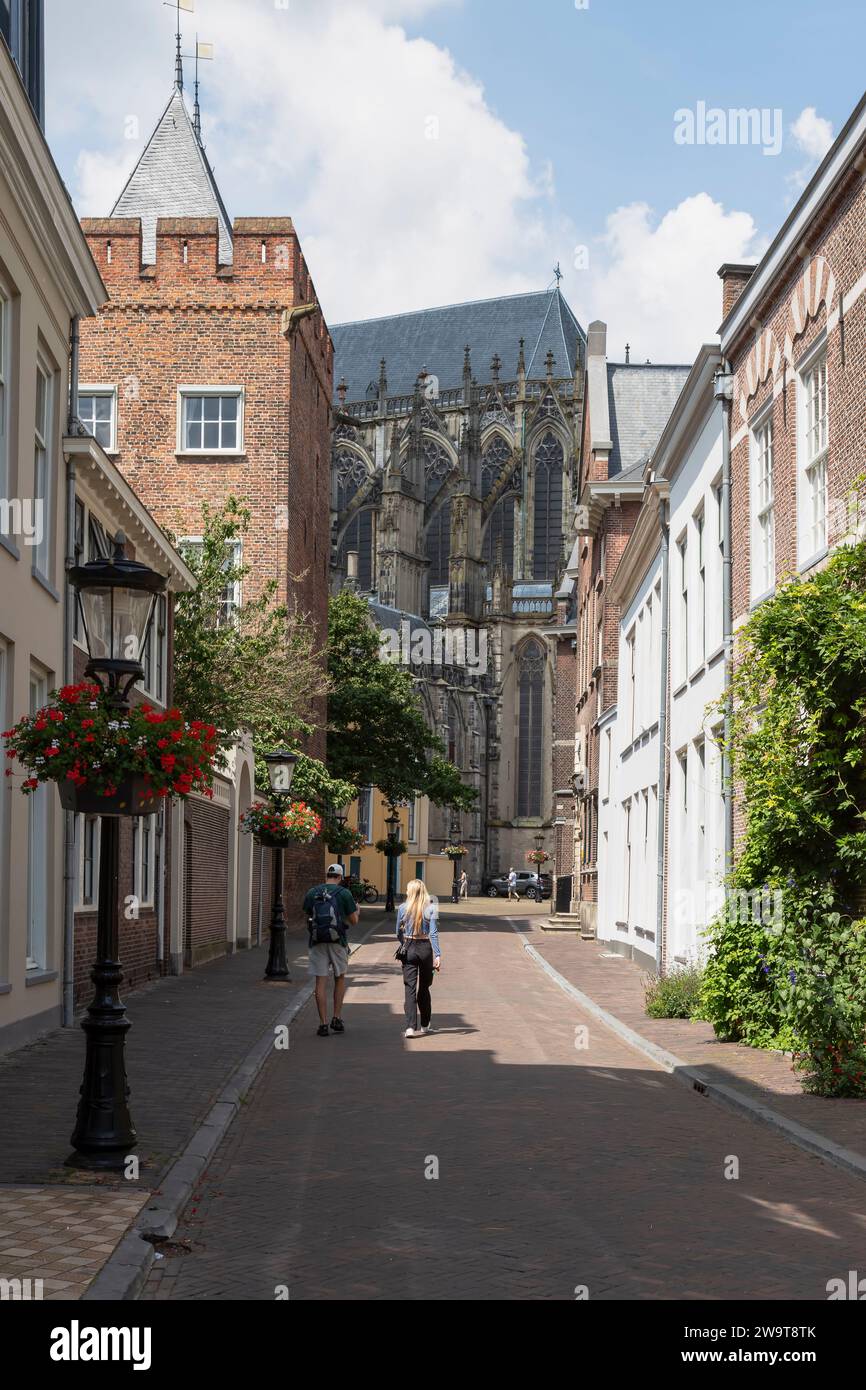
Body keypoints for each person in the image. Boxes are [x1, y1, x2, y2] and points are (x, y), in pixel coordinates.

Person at [303, 864, 359, 1036]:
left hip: (317, 941)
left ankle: (323, 1024)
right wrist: (357, 911)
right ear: (340, 877)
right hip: (338, 941)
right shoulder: (344, 893)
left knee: (320, 982)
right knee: (339, 978)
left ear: (326, 875)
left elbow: (307, 915)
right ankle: (336, 1018)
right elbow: (354, 921)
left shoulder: (312, 892)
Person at [396, 879, 441, 1039]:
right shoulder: (431, 908)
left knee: (410, 988)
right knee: (424, 987)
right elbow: (433, 933)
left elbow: (398, 932)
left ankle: (410, 1027)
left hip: (409, 946)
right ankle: (425, 1024)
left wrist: (403, 943)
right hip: (425, 948)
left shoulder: (402, 908)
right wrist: (438, 954)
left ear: (410, 892)